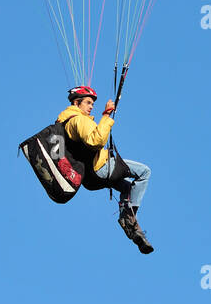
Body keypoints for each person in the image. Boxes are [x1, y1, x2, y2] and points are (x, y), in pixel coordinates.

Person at [57, 86, 153, 254]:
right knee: (144, 172)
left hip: (89, 179)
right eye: (88, 102)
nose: (91, 106)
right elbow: (96, 140)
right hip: (101, 168)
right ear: (76, 102)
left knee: (127, 188)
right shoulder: (78, 120)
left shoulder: (64, 123)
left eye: (92, 103)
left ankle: (131, 227)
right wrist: (106, 115)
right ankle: (129, 217)